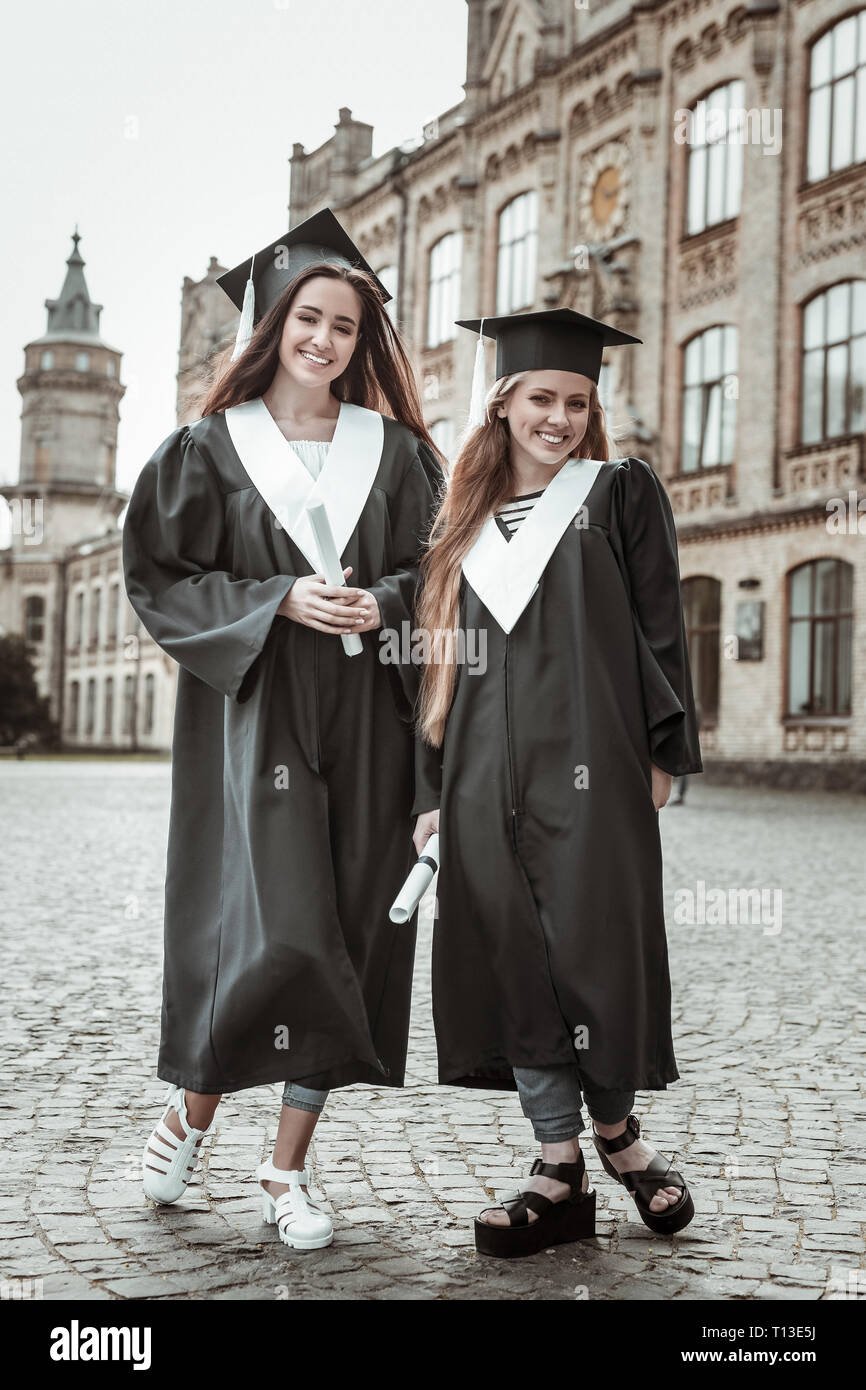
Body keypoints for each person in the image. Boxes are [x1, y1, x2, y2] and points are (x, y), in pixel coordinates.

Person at [122, 208, 445, 1250]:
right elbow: (161, 576)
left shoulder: (394, 454)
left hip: (368, 720)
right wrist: (274, 604)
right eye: (308, 318)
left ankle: (285, 1165)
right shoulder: (204, 452)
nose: (324, 341)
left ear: (362, 343)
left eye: (345, 327)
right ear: (270, 326)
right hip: (254, 715)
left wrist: (384, 606)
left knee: (345, 933)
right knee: (268, 930)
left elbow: (435, 576)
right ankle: (194, 1107)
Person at [411, 308, 703, 1258]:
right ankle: (558, 1167)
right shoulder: (463, 527)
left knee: (596, 952)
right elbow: (439, 669)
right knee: (514, 959)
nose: (561, 417)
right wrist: (429, 790)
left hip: (597, 767)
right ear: (501, 405)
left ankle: (619, 1135)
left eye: (578, 401)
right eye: (541, 399)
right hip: (483, 778)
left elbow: (662, 627)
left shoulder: (619, 492)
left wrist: (665, 757)